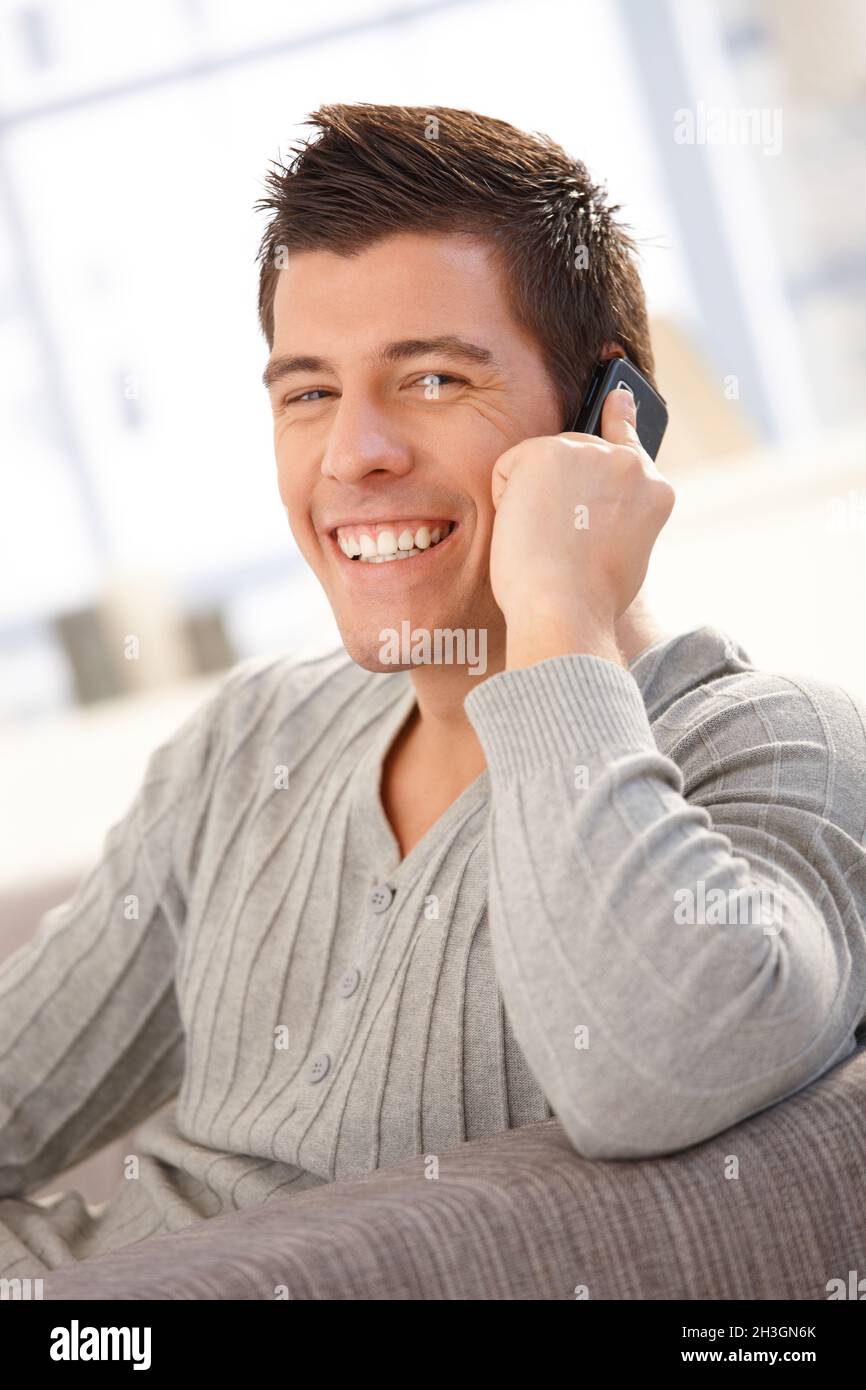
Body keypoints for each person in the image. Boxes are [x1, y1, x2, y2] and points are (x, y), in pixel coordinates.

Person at [2, 102, 865, 1282]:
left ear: (609, 420)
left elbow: (654, 1073)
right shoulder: (254, 736)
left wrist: (558, 612)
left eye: (430, 378)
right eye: (307, 393)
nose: (354, 452)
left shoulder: (779, 750)